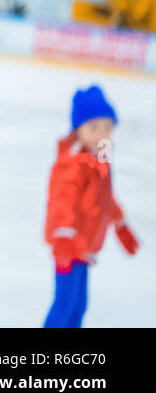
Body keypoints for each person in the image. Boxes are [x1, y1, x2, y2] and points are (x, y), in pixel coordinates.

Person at [42, 84, 139, 328]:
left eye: (107, 127)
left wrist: (121, 224)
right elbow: (62, 200)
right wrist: (63, 235)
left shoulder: (101, 162)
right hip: (69, 245)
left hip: (85, 247)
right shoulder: (74, 164)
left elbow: (106, 198)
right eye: (93, 127)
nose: (102, 134)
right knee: (65, 304)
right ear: (78, 130)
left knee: (79, 305)